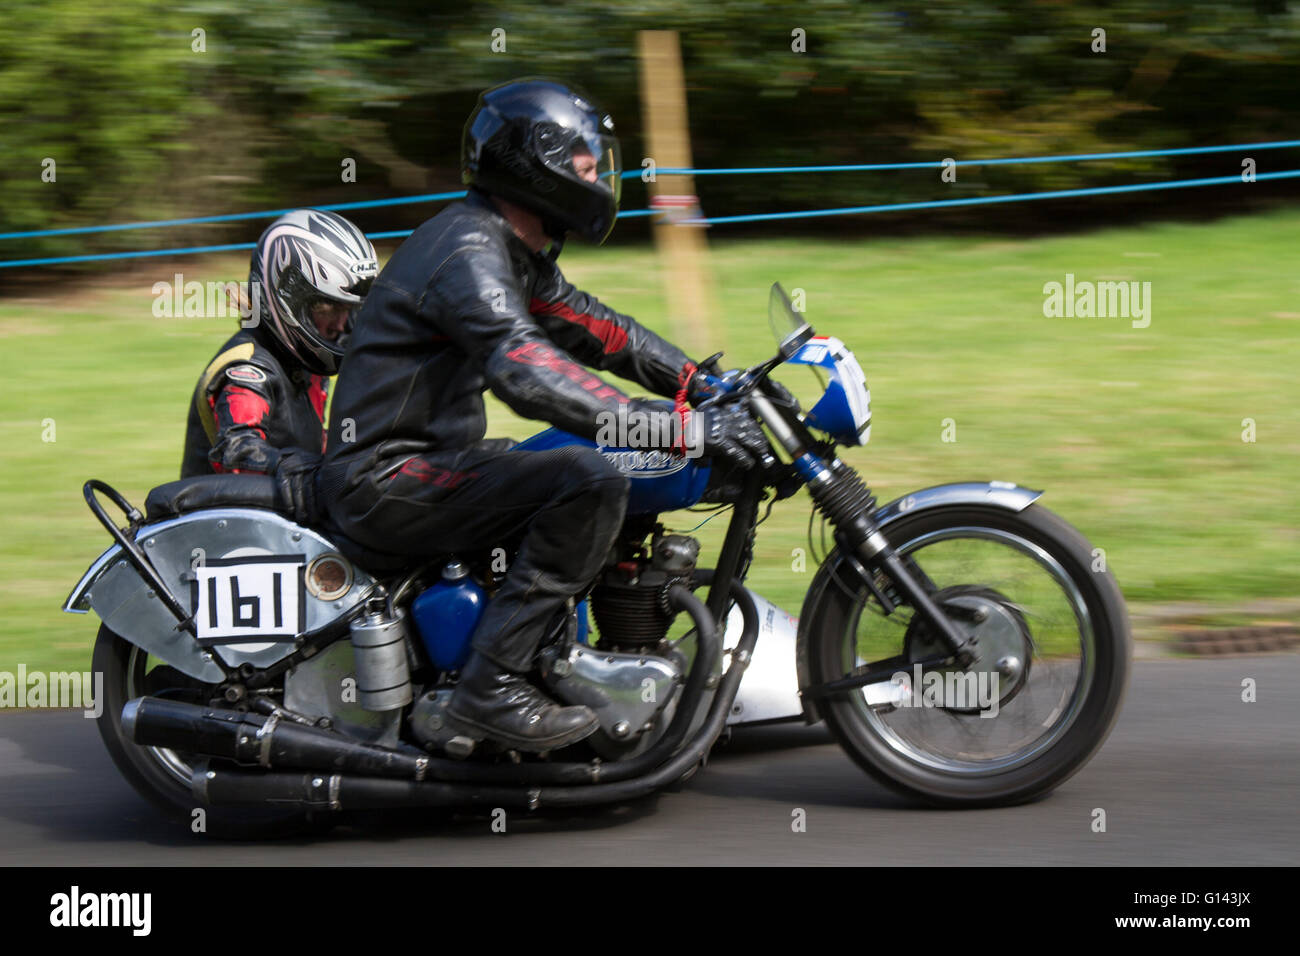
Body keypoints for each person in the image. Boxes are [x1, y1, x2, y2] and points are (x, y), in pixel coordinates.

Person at [318, 79, 767, 753]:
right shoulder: (466, 252)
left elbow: (601, 331)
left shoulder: (508, 249)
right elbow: (526, 370)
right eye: (586, 161)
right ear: (536, 162)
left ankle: (561, 654)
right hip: (387, 477)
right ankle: (488, 691)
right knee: (588, 479)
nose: (598, 174)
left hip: (431, 461)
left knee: (575, 465)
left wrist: (704, 384)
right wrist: (678, 429)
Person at [181, 209, 378, 521]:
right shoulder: (247, 370)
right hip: (226, 534)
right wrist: (315, 472)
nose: (342, 325)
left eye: (349, 309)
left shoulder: (303, 360)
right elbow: (239, 453)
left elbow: (310, 440)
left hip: (276, 522)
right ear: (287, 299)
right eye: (328, 307)